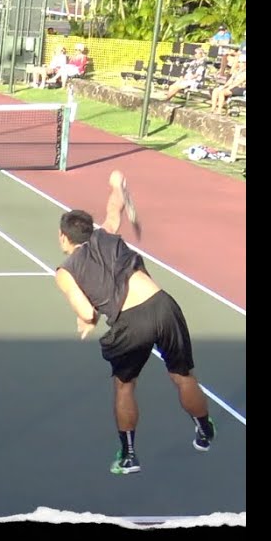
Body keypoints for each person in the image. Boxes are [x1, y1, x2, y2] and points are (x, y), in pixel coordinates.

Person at [54, 169, 216, 475]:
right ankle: (205, 430)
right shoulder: (108, 234)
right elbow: (114, 207)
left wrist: (84, 319)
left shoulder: (65, 271)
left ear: (63, 236)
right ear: (91, 230)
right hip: (163, 305)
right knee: (183, 376)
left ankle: (129, 456)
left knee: (125, 387)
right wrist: (116, 184)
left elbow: (87, 313)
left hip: (130, 323)